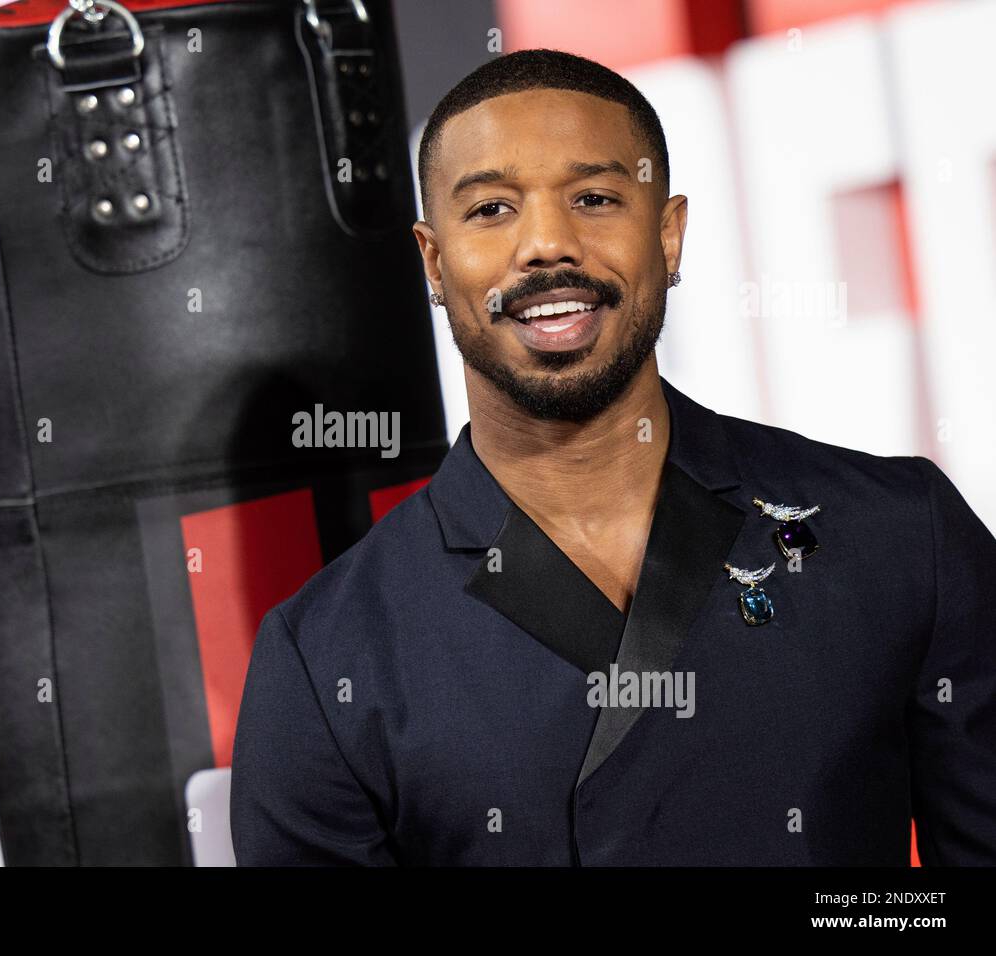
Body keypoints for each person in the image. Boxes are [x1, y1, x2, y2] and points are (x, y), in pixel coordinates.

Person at [229, 49, 996, 865]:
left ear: (668, 236)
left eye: (595, 198)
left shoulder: (899, 535)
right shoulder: (326, 660)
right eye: (491, 209)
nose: (547, 245)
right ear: (433, 260)